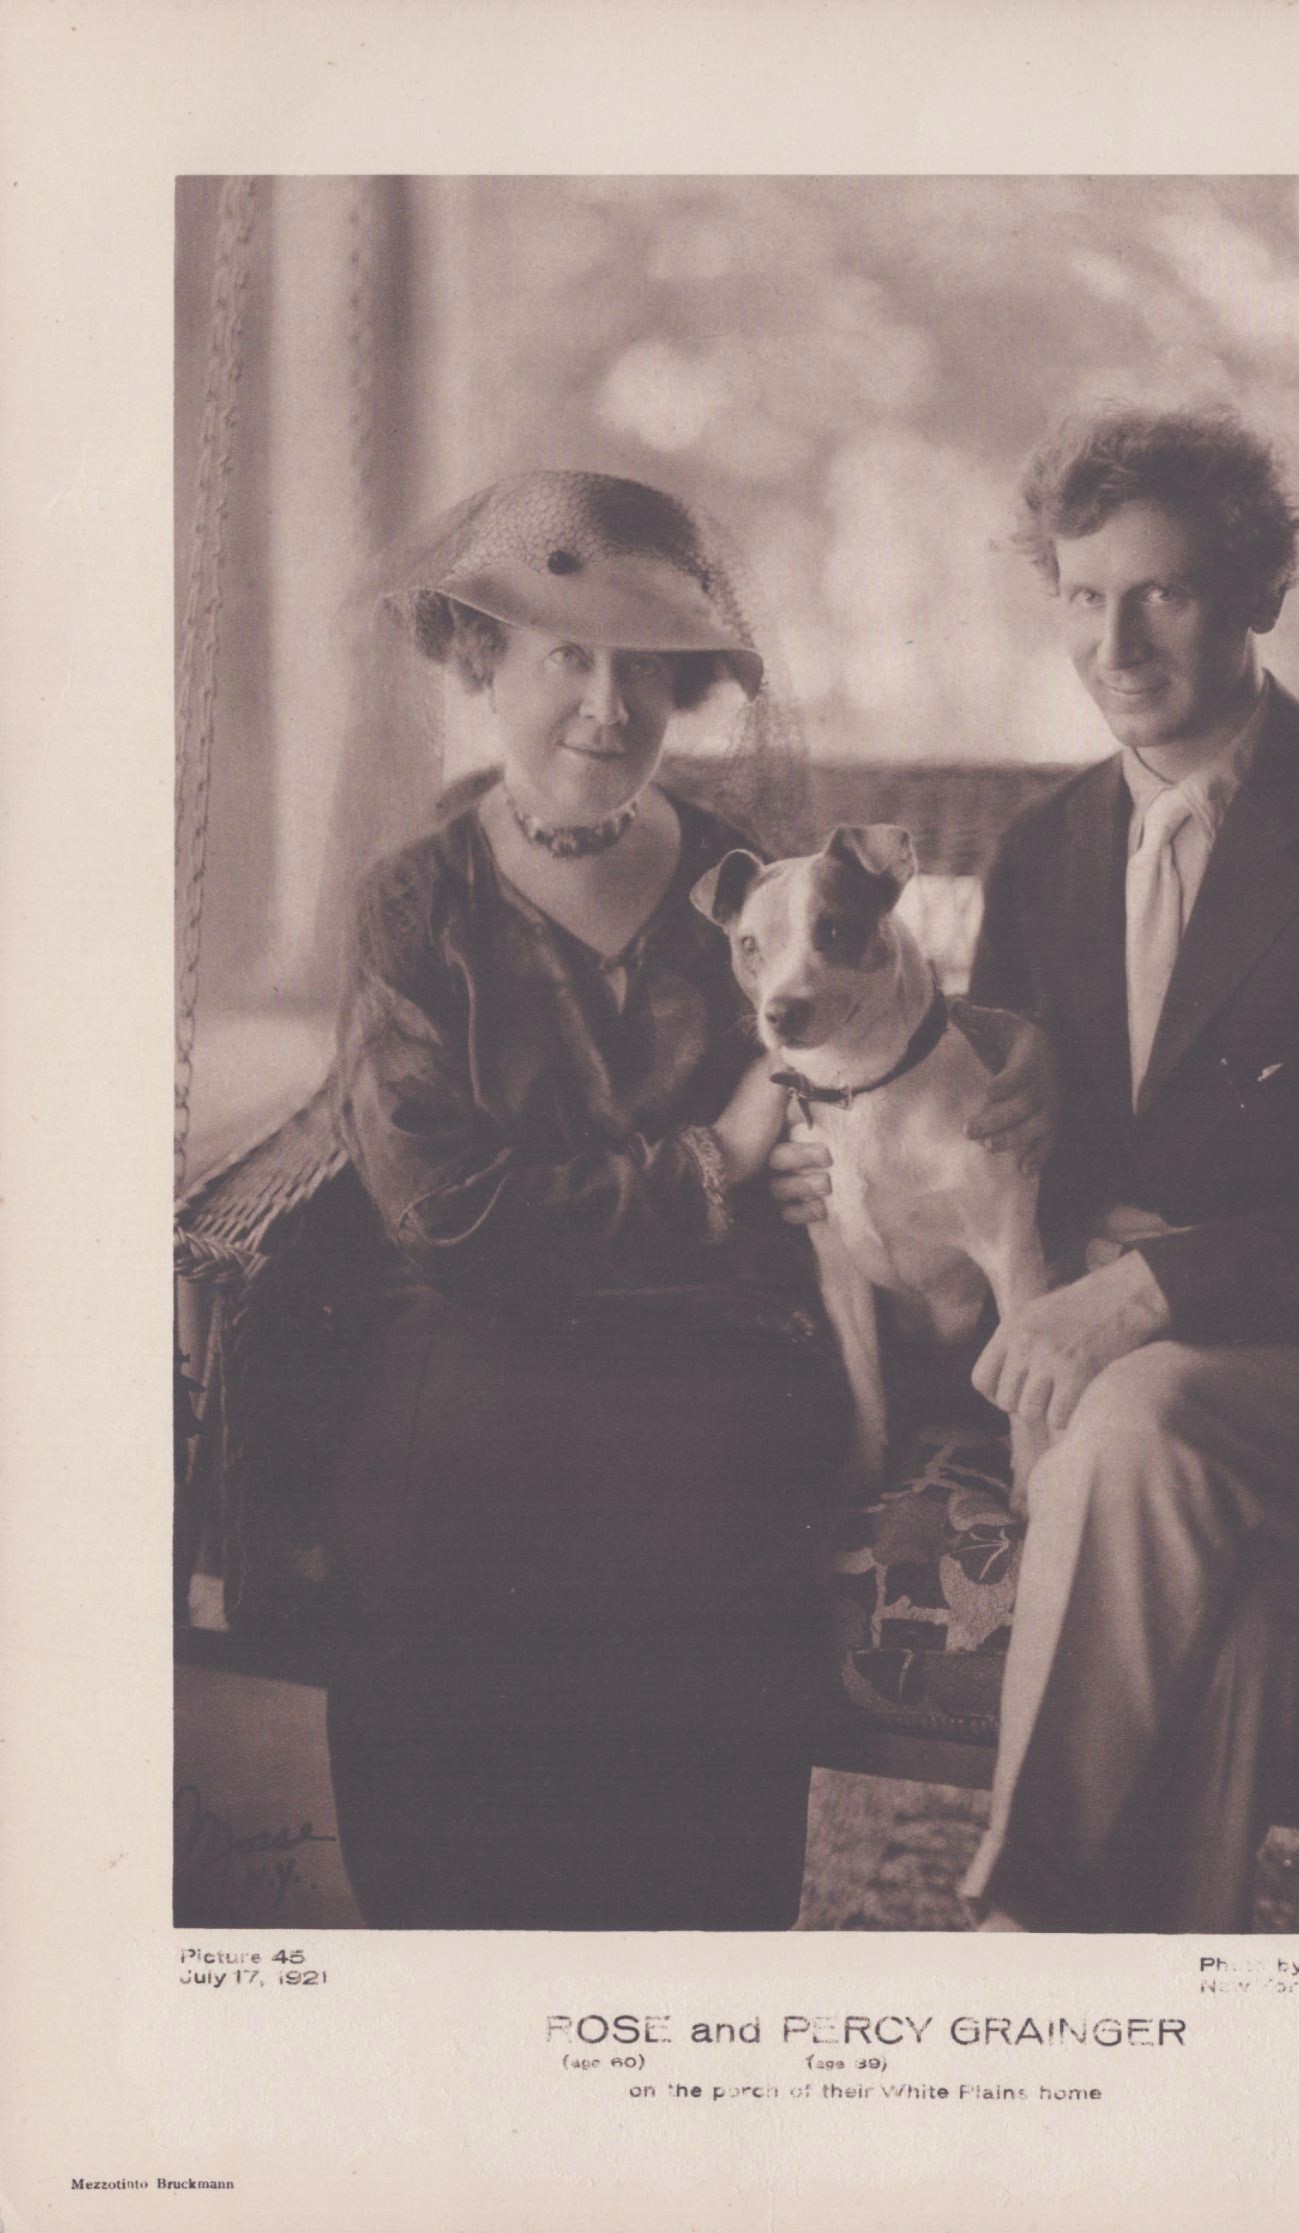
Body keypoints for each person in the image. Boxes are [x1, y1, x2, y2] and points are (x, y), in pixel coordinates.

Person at [771, 406, 1299, 1932]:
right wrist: (857, 1201)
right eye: (1079, 594)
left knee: (1136, 1410)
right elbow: (1009, 1160)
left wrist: (1153, 1287)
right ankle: (1146, 2018)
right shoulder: (1048, 850)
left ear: (1256, 596)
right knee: (1222, 1613)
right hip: (1160, 1427)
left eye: (1163, 594)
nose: (1116, 641)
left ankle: (1016, 1911)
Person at [323, 469, 844, 1930]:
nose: (610, 707)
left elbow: (845, 1077)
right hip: (476, 1330)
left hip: (716, 1342)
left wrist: (815, 1150)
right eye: (570, 656)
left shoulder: (754, 885)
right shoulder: (415, 904)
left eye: (646, 671)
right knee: (458, 1477)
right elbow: (453, 1216)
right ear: (484, 661)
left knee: (704, 1480)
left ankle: (680, 2003)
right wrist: (717, 1167)